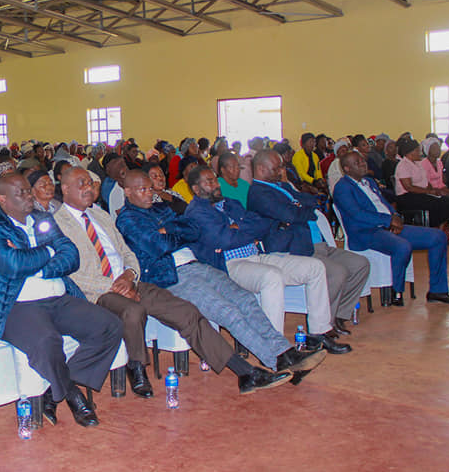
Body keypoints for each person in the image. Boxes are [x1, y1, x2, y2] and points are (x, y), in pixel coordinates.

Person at [55, 168, 319, 397]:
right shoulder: (77, 222)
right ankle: (251, 369)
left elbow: (184, 233)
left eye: (90, 183)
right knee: (225, 310)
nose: (89, 188)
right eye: (82, 184)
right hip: (144, 281)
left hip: (147, 276)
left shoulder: (103, 216)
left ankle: (280, 356)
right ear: (64, 188)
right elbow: (74, 270)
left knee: (236, 301)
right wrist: (116, 283)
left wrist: (130, 275)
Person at [0, 173, 123, 427]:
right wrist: (49, 251)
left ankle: (56, 387)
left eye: (28, 191)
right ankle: (73, 395)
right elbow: (12, 264)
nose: (29, 196)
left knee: (109, 325)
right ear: (3, 200)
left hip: (56, 296)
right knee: (46, 341)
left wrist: (38, 264)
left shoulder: (43, 219)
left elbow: (70, 256)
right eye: (20, 193)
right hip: (14, 305)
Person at [184, 167, 350, 352]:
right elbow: (225, 240)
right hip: (229, 265)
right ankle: (275, 347)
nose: (216, 185)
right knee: (272, 277)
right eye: (209, 182)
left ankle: (319, 333)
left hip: (257, 256)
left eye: (215, 180)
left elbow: (262, 223)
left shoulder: (230, 203)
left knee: (315, 267)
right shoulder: (196, 212)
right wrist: (243, 231)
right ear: (196, 189)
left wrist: (238, 227)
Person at [247, 150, 370, 337]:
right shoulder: (258, 192)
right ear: (261, 168)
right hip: (299, 247)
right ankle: (323, 325)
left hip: (319, 242)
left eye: (281, 166)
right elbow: (290, 214)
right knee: (338, 272)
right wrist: (303, 209)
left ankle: (338, 314)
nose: (281, 171)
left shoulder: (282, 186)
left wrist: (301, 205)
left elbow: (310, 199)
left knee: (361, 264)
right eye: (277, 167)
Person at [334, 152, 449, 306]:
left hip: (388, 227)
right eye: (357, 163)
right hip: (366, 232)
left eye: (363, 161)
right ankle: (396, 291)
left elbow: (385, 204)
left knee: (438, 237)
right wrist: (388, 220)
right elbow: (356, 214)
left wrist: (395, 217)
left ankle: (438, 291)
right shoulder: (342, 187)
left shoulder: (369, 182)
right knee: (402, 245)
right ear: (347, 168)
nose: (363, 164)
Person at [394, 138, 449, 237]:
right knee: (438, 204)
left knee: (447, 201)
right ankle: (435, 231)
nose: (420, 153)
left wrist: (434, 190)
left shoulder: (418, 164)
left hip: (420, 193)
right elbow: (409, 187)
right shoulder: (403, 165)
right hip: (407, 197)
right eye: (417, 150)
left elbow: (425, 181)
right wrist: (429, 192)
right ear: (410, 153)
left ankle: (440, 230)